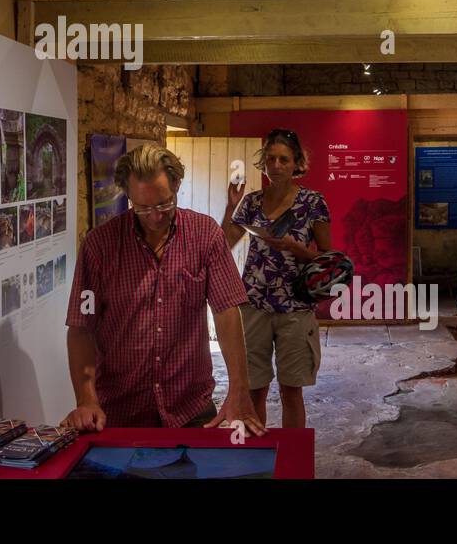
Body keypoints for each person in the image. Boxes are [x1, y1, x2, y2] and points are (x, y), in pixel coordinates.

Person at [62, 143, 264, 435]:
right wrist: (86, 400)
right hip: (120, 410)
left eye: (164, 204)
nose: (156, 216)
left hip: (190, 408)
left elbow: (226, 310)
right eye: (143, 208)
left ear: (177, 185)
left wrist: (239, 389)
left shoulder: (204, 236)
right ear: (128, 196)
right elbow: (82, 328)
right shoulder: (100, 247)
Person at [221, 128, 331, 429]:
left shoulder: (313, 203)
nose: (277, 165)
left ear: (297, 163)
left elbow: (328, 259)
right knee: (254, 389)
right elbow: (223, 243)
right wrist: (231, 207)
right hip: (254, 305)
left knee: (291, 390)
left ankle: (291, 461)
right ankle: (261, 460)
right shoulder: (252, 202)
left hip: (295, 309)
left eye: (284, 159)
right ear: (264, 163)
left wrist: (299, 250)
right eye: (271, 159)